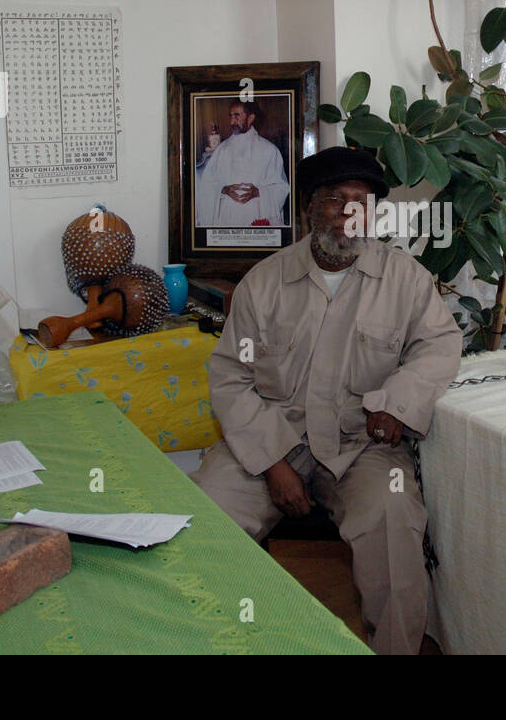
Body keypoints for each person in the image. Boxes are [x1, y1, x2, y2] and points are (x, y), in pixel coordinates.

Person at [193, 146, 462, 655]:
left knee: (393, 519)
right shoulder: (262, 284)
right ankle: (213, 640)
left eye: (363, 203)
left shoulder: (405, 280)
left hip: (362, 446)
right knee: (206, 514)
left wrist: (398, 400)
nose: (350, 213)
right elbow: (231, 376)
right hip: (270, 441)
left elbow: (440, 345)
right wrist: (272, 463)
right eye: (336, 200)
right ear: (307, 210)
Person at [195, 100, 290, 226]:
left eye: (237, 115)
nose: (231, 121)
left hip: (257, 215)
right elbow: (207, 185)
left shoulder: (269, 150)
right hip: (227, 217)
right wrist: (223, 189)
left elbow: (281, 188)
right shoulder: (222, 150)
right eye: (230, 116)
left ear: (251, 118)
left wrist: (259, 192)